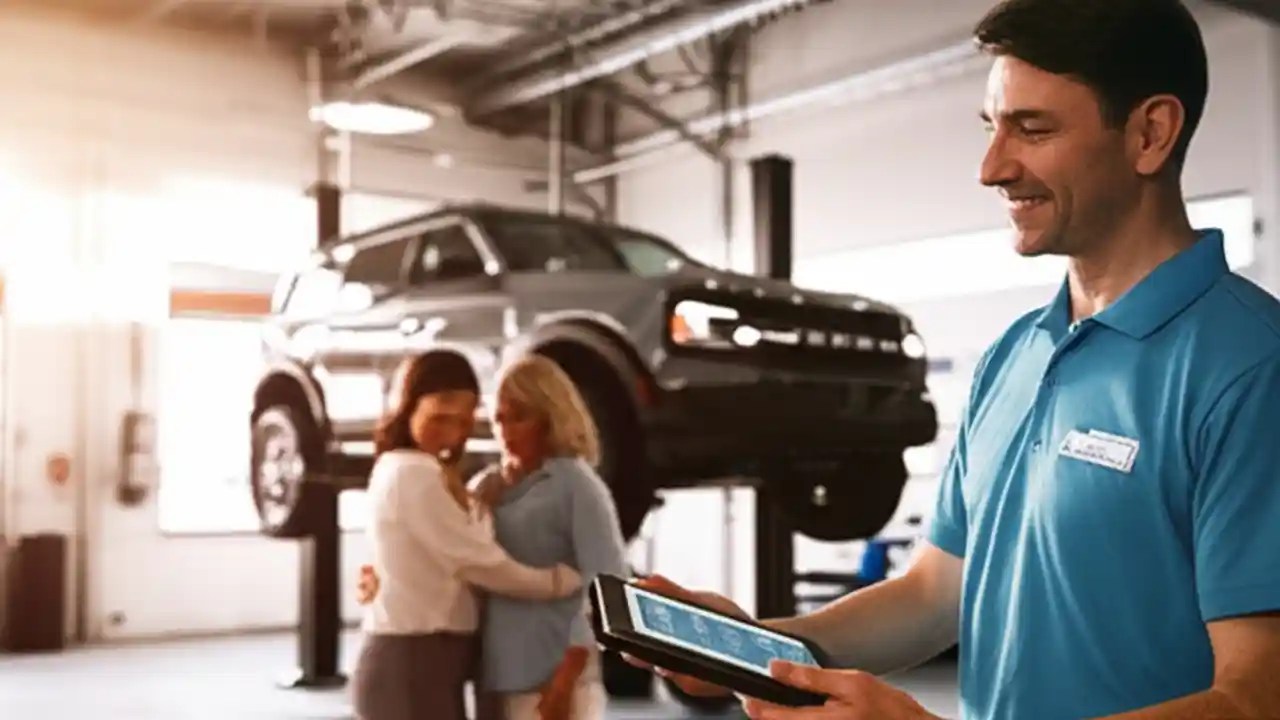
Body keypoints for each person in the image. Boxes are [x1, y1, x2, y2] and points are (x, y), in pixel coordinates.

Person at [632, 2, 1280, 719]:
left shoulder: (1252, 368)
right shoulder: (1014, 355)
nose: (991, 168)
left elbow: (1256, 697)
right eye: (991, 127)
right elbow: (936, 592)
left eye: (1033, 129)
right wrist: (761, 647)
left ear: (1150, 133)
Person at [359, 353, 629, 720]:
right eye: (498, 419)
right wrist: (378, 575)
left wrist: (566, 679)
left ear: (549, 417)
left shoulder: (578, 486)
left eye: (519, 417)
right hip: (491, 679)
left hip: (554, 680)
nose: (506, 432)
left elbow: (609, 589)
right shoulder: (484, 487)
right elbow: (450, 556)